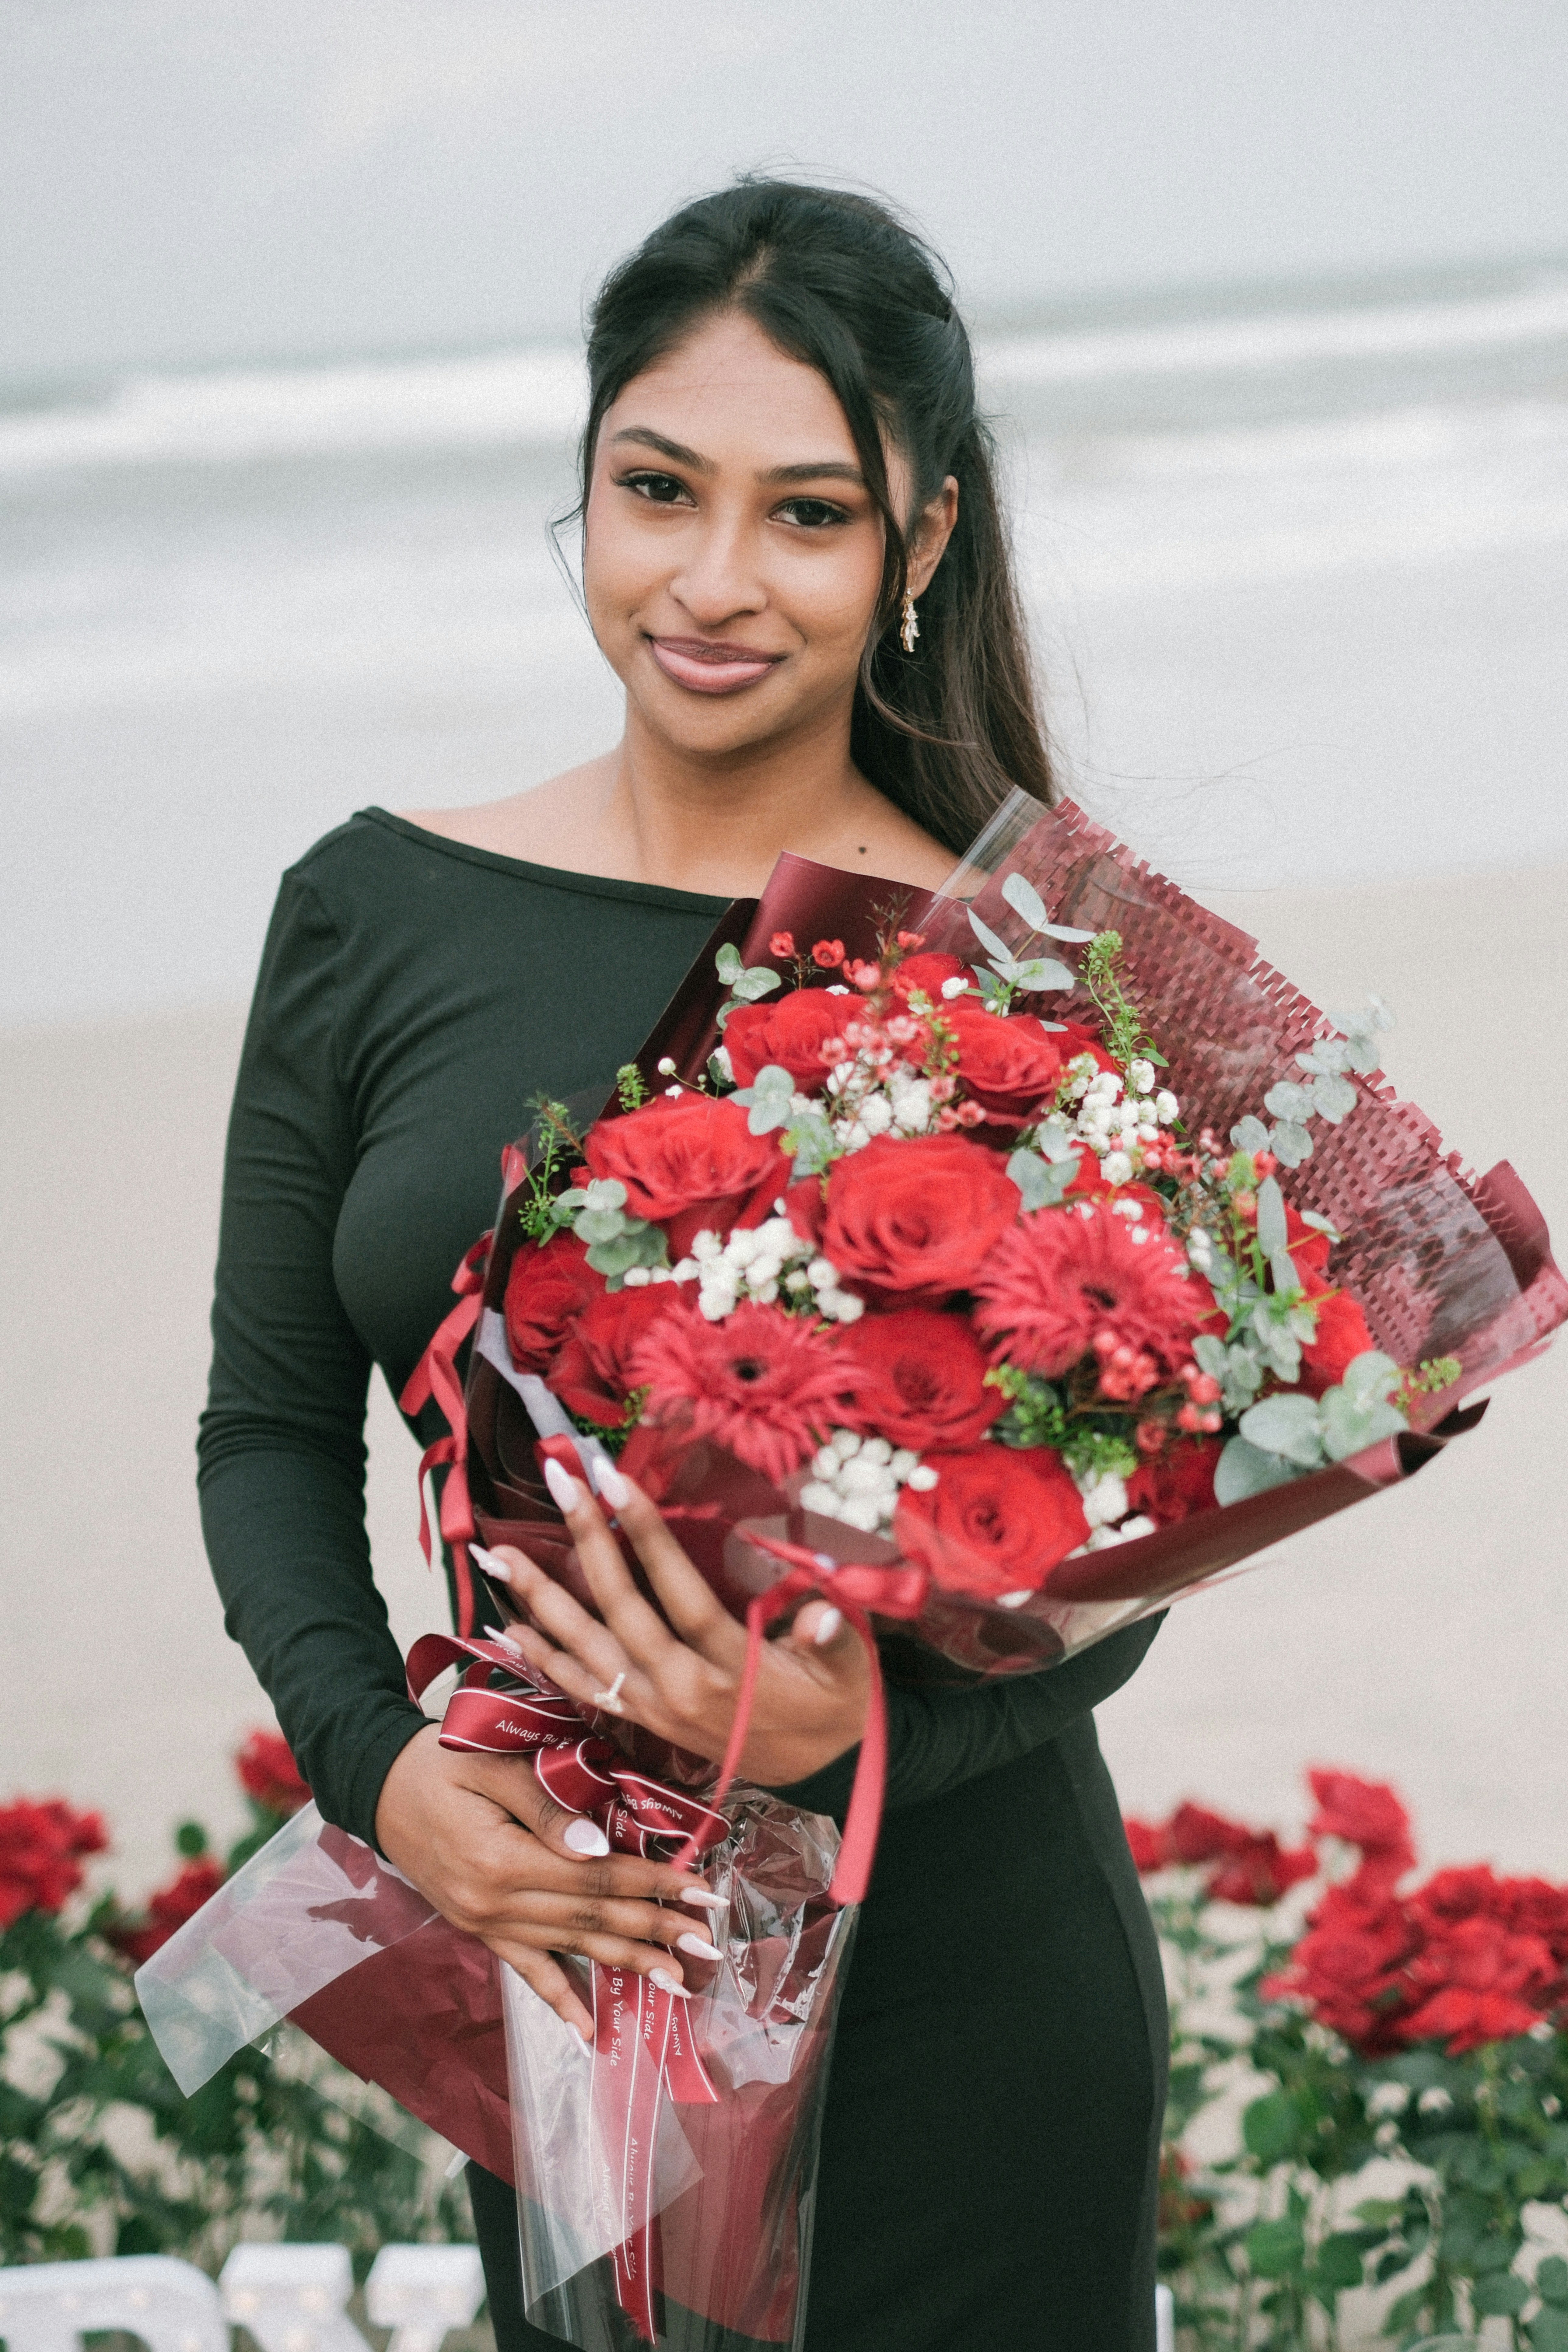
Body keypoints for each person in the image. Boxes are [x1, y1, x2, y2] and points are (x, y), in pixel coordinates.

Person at [199, 179, 1167, 2352]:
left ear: (920, 549)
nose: (713, 582)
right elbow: (266, 1427)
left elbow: (1121, 1559)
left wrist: (867, 1724)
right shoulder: (369, 911)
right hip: (562, 1949)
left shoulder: (1012, 955)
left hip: (963, 1991)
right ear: (588, 490)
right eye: (658, 489)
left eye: (808, 515)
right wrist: (386, 1780)